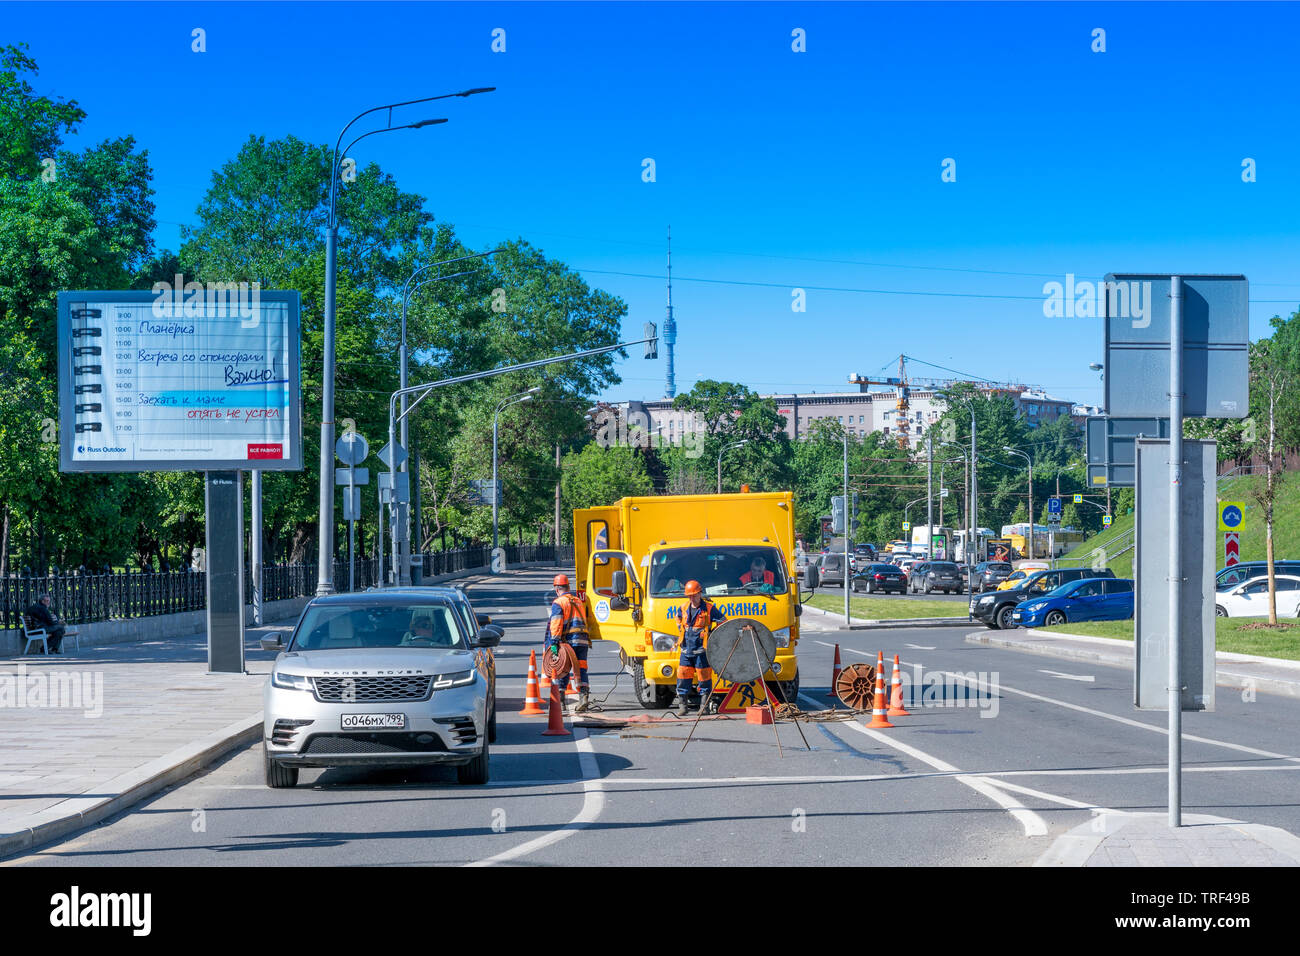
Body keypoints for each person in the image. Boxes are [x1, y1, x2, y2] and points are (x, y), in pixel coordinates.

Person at [675, 579, 726, 716]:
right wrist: (681, 629)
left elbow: (723, 621)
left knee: (704, 679)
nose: (692, 597)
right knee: (683, 677)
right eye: (689, 595)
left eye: (694, 595)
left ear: (700, 593)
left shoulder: (709, 609)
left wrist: (712, 632)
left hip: (701, 651)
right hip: (686, 650)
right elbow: (678, 619)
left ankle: (704, 707)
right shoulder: (684, 608)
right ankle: (683, 706)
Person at [546, 574, 592, 714]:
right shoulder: (578, 601)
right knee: (581, 668)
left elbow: (556, 623)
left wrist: (554, 642)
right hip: (583, 640)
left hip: (568, 641)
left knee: (562, 669)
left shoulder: (559, 602)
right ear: (568, 587)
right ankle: (583, 697)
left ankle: (561, 703)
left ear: (556, 588)